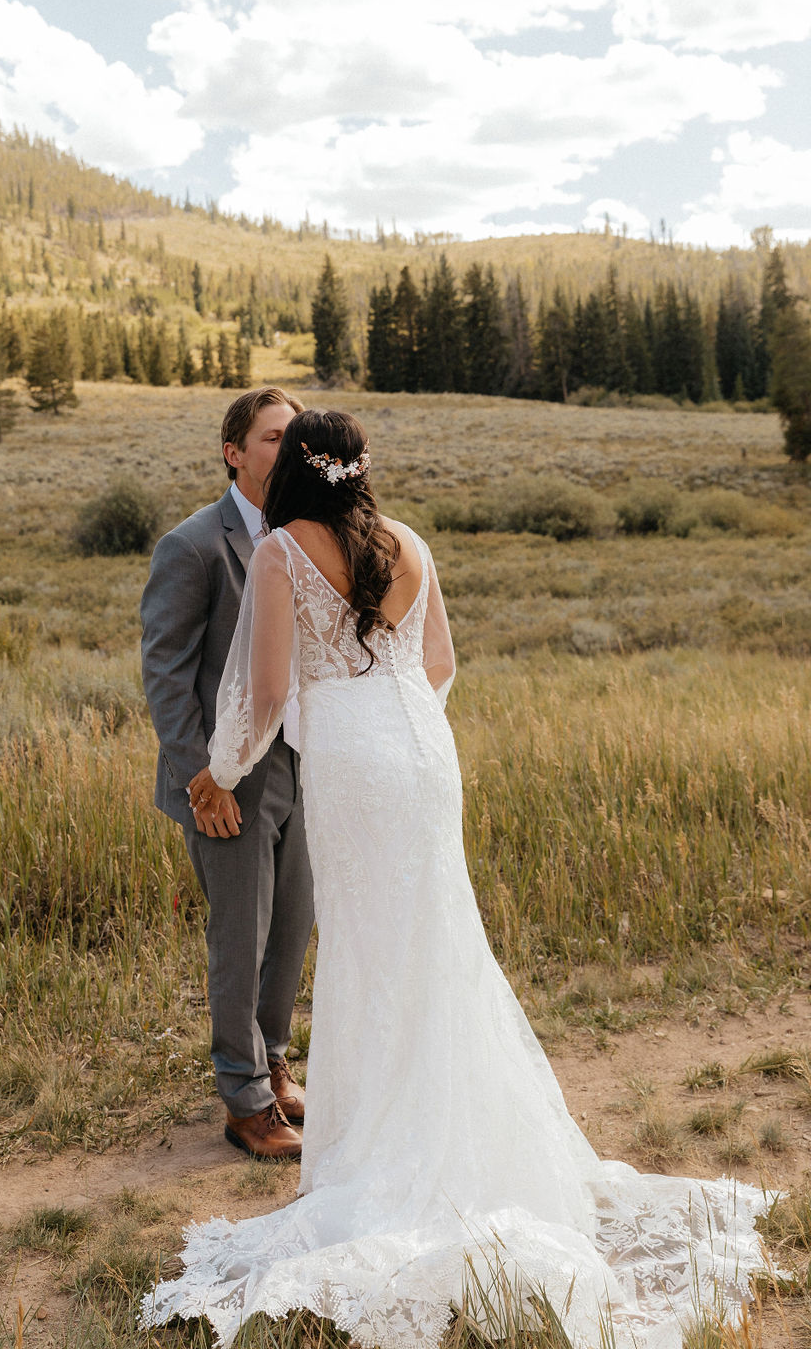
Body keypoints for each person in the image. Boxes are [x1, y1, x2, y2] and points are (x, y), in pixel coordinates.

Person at [143, 408, 773, 1349]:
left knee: (368, 950)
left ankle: (387, 1152)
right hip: (424, 757)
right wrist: (396, 720)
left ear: (301, 475)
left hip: (354, 765)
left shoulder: (279, 553)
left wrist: (218, 772)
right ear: (360, 470)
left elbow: (267, 695)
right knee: (440, 941)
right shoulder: (411, 543)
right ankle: (464, 1136)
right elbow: (438, 665)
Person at [140, 387, 314, 1161]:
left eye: (296, 436)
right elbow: (167, 674)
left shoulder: (308, 540)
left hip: (305, 765)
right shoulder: (194, 545)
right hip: (225, 779)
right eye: (274, 437)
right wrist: (198, 779)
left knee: (292, 927)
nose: (288, 447)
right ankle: (244, 1102)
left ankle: (273, 1063)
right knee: (239, 937)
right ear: (234, 452)